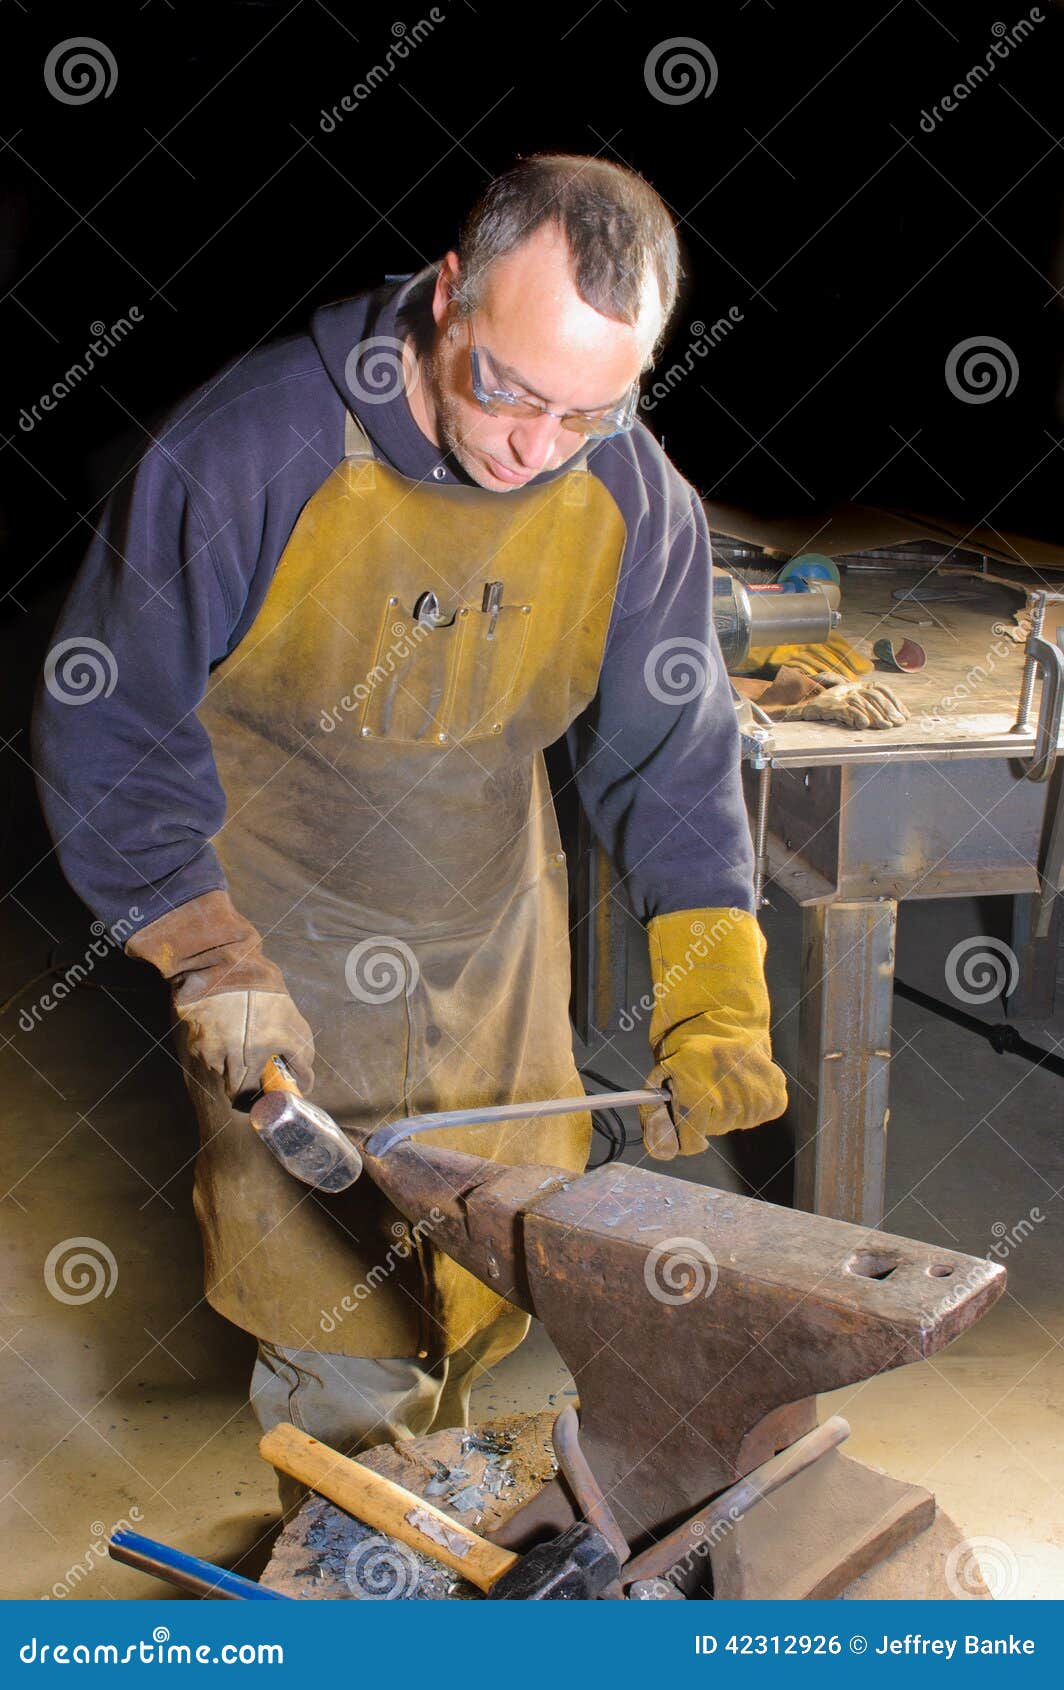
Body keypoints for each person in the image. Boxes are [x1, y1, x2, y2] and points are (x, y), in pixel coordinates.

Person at [32, 154, 787, 1461]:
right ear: (449, 297)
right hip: (289, 969)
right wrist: (208, 957)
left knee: (489, 1308)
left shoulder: (631, 492)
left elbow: (671, 755)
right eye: (512, 392)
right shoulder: (248, 451)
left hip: (499, 963)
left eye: (587, 414)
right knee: (345, 1353)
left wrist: (714, 991)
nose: (536, 449)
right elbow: (111, 719)